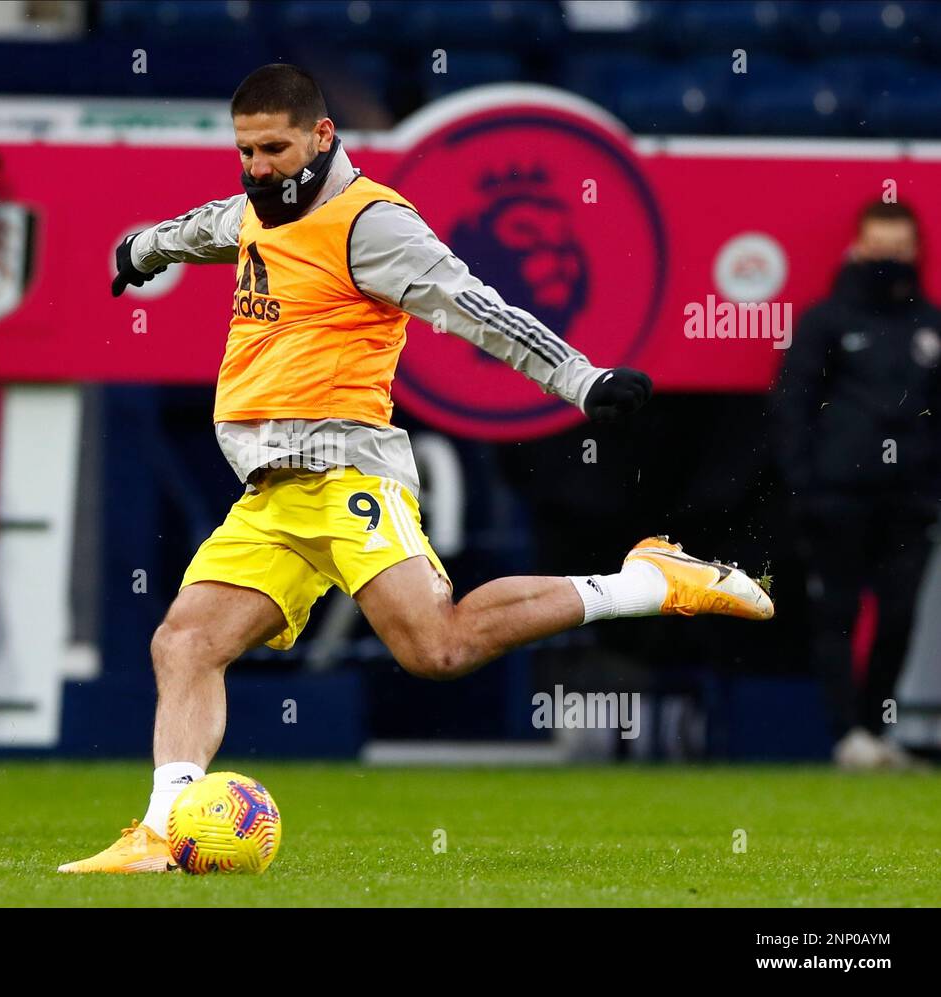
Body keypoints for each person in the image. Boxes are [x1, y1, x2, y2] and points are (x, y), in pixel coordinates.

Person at [61, 64, 773, 874]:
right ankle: (162, 834)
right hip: (271, 496)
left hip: (349, 476)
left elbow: (478, 309)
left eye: (273, 147)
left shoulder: (374, 225)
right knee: (184, 642)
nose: (256, 164)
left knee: (437, 646)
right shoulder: (263, 208)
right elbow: (210, 226)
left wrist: (580, 378)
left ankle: (650, 580)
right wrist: (143, 246)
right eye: (245, 149)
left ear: (321, 136)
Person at [773, 200, 941, 770]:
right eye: (879, 247)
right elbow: (793, 404)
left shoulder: (930, 326)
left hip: (910, 500)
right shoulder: (827, 321)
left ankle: (876, 729)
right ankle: (847, 736)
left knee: (899, 617)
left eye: (899, 249)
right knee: (835, 616)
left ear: (915, 251)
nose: (889, 259)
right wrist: (805, 486)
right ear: (859, 247)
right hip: (838, 496)